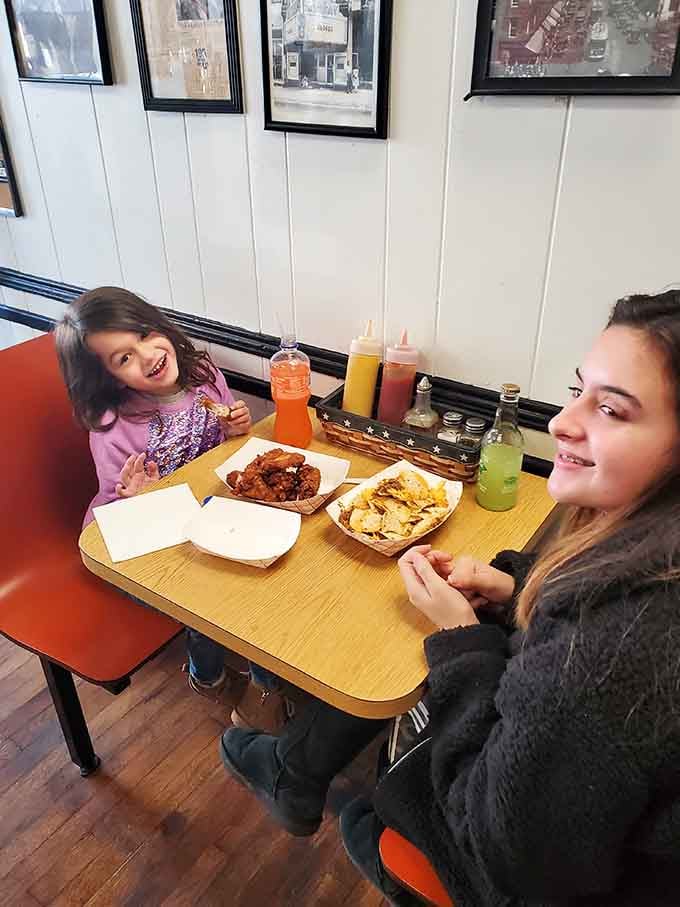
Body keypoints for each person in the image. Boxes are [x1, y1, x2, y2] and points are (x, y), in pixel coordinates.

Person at [220, 289, 680, 906]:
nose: (562, 423)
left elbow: (508, 854)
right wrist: (512, 587)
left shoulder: (608, 655)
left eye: (613, 411)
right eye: (578, 392)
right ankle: (297, 773)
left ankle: (320, 793)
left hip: (519, 868)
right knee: (396, 645)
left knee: (397, 667)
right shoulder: (640, 554)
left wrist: (463, 640)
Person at [55, 288, 287, 728]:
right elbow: (117, 507)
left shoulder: (202, 373)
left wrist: (234, 430)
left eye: (144, 334)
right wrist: (141, 495)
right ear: (108, 379)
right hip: (128, 535)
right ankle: (208, 675)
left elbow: (215, 452)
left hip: (199, 509)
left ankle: (266, 680)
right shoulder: (113, 428)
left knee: (266, 568)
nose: (147, 355)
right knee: (203, 597)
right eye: (123, 358)